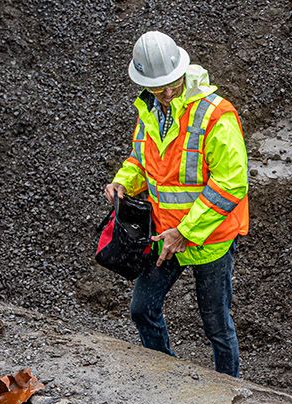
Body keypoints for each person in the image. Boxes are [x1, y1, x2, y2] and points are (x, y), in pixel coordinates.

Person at [104, 31, 249, 375]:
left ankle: (231, 389)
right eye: (158, 88)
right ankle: (166, 379)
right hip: (165, 234)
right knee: (142, 309)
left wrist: (185, 231)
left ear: (183, 70)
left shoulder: (215, 115)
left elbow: (231, 183)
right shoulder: (150, 113)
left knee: (217, 326)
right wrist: (123, 183)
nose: (167, 93)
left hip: (209, 239)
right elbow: (142, 162)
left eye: (172, 84)